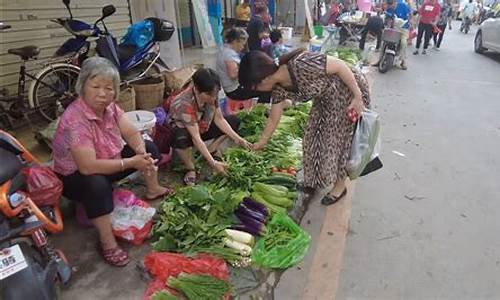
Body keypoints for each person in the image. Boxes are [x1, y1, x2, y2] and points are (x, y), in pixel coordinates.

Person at [52, 57, 172, 267]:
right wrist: (131, 162)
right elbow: (87, 166)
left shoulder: (110, 108)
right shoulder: (75, 119)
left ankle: (153, 189)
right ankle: (107, 243)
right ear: (82, 86)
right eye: (95, 86)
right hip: (74, 176)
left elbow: (131, 131)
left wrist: (141, 154)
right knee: (96, 184)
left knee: (150, 147)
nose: (102, 93)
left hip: (106, 159)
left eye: (109, 88)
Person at [239, 50, 370, 206]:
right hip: (325, 98)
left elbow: (340, 66)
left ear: (264, 79)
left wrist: (358, 96)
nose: (255, 90)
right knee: (311, 137)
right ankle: (314, 180)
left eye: (254, 86)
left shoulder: (301, 65)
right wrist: (262, 141)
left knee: (337, 143)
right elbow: (274, 117)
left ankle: (339, 187)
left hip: (347, 93)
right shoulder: (278, 87)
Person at [168, 68, 251, 185]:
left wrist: (238, 139)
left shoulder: (212, 94)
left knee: (234, 121)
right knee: (179, 137)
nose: (213, 98)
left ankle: (211, 149)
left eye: (215, 94)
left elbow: (219, 119)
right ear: (196, 89)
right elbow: (196, 138)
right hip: (186, 131)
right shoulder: (184, 104)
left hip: (202, 125)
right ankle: (190, 168)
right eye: (209, 95)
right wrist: (213, 163)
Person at [216, 28, 271, 103]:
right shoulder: (229, 55)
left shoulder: (224, 49)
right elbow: (233, 75)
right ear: (235, 41)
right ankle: (262, 110)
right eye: (242, 44)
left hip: (231, 88)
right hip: (234, 91)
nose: (242, 47)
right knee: (266, 89)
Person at [395, 0, 412, 69]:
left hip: (403, 28)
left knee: (404, 43)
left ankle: (403, 61)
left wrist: (410, 22)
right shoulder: (394, 3)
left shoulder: (406, 5)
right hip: (394, 26)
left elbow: (410, 15)